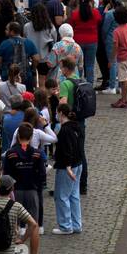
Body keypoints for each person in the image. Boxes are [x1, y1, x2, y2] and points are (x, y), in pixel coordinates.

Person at [51, 101, 85, 235]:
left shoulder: (65, 130)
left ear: (61, 113)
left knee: (61, 196)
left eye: (56, 113)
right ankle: (76, 224)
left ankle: (65, 226)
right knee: (74, 195)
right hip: (78, 163)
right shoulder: (77, 126)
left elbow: (67, 149)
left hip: (67, 167)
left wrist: (68, 167)